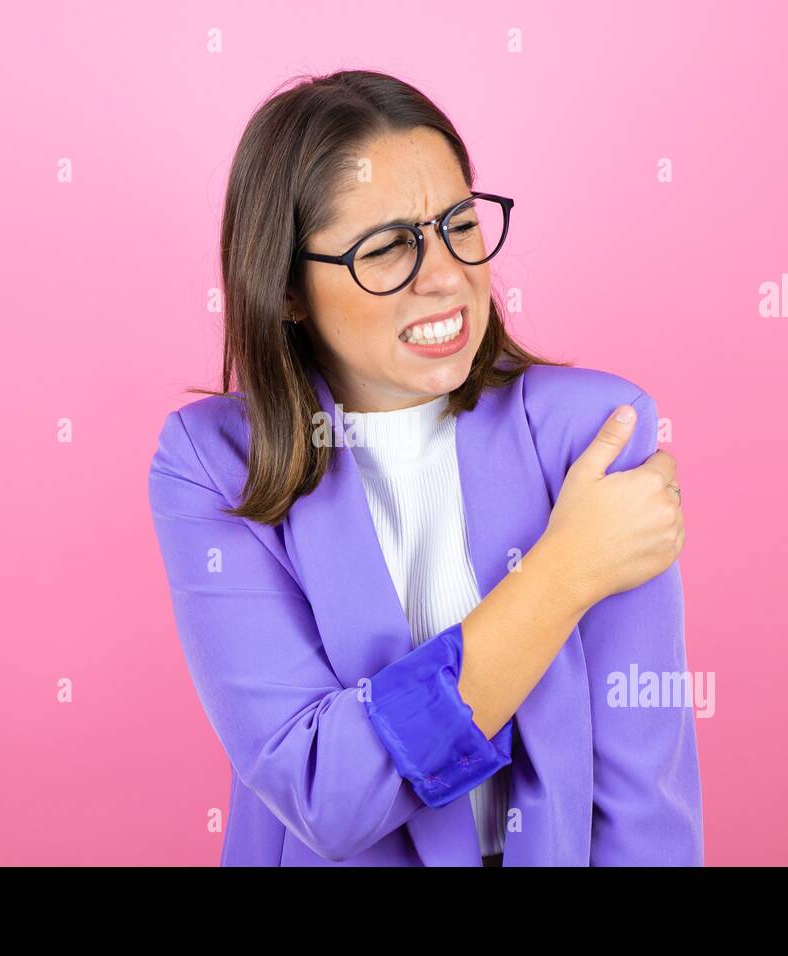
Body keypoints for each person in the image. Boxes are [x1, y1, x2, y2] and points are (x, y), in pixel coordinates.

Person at [148, 69, 701, 866]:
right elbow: (320, 794)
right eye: (387, 247)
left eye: (458, 225)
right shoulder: (210, 463)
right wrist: (568, 571)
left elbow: (645, 799)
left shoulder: (598, 432)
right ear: (288, 290)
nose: (445, 275)